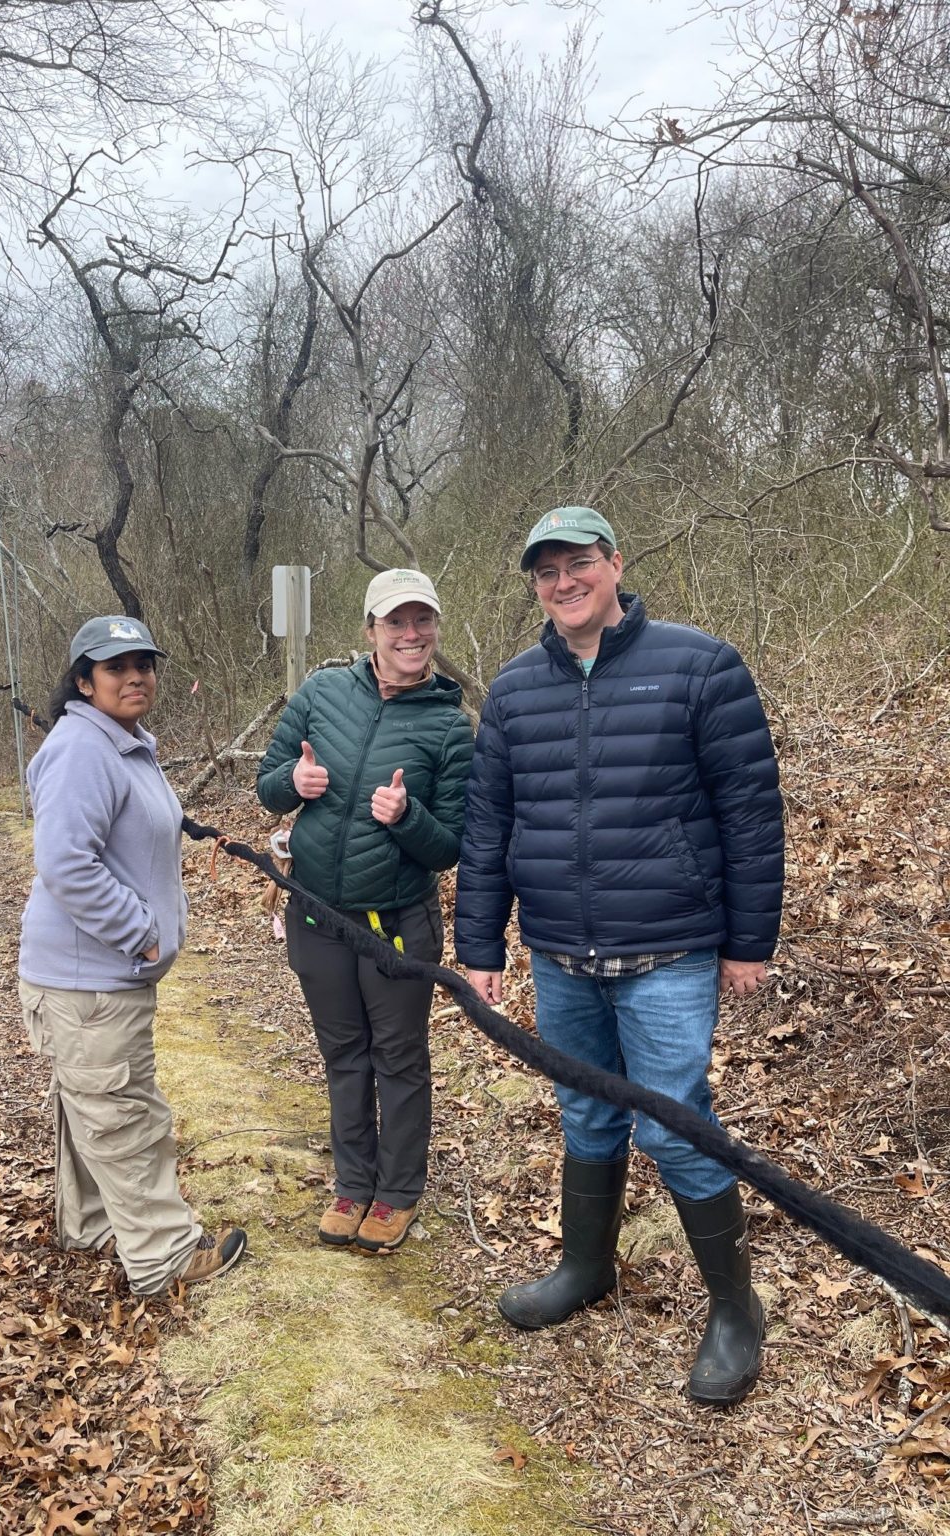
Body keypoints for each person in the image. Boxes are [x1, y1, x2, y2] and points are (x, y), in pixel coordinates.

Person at [454, 509, 784, 1405]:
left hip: (668, 951)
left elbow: (751, 814)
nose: (565, 582)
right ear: (535, 586)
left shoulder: (699, 666)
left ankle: (734, 1312)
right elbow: (489, 831)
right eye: (547, 571)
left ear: (615, 565)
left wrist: (750, 939)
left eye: (579, 564)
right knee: (586, 1115)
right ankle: (585, 1268)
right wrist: (479, 945)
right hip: (560, 954)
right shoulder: (516, 690)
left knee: (676, 1121)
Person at [18, 615, 246, 1296]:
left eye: (144, 663)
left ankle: (89, 1224)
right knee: (125, 1115)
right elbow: (64, 860)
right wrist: (138, 931)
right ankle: (165, 1258)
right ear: (84, 681)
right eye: (116, 667)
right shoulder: (82, 749)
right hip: (90, 975)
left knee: (95, 1101)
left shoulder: (123, 743)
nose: (135, 676)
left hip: (95, 977)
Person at [257, 570, 474, 1255]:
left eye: (422, 622)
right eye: (396, 623)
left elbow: (453, 847)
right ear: (370, 631)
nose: (411, 635)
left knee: (399, 1059)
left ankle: (398, 1193)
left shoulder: (449, 726)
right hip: (318, 917)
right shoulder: (321, 694)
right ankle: (353, 1184)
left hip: (397, 926)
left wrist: (407, 817)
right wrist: (292, 782)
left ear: (434, 629)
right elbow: (266, 785)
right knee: (344, 1054)